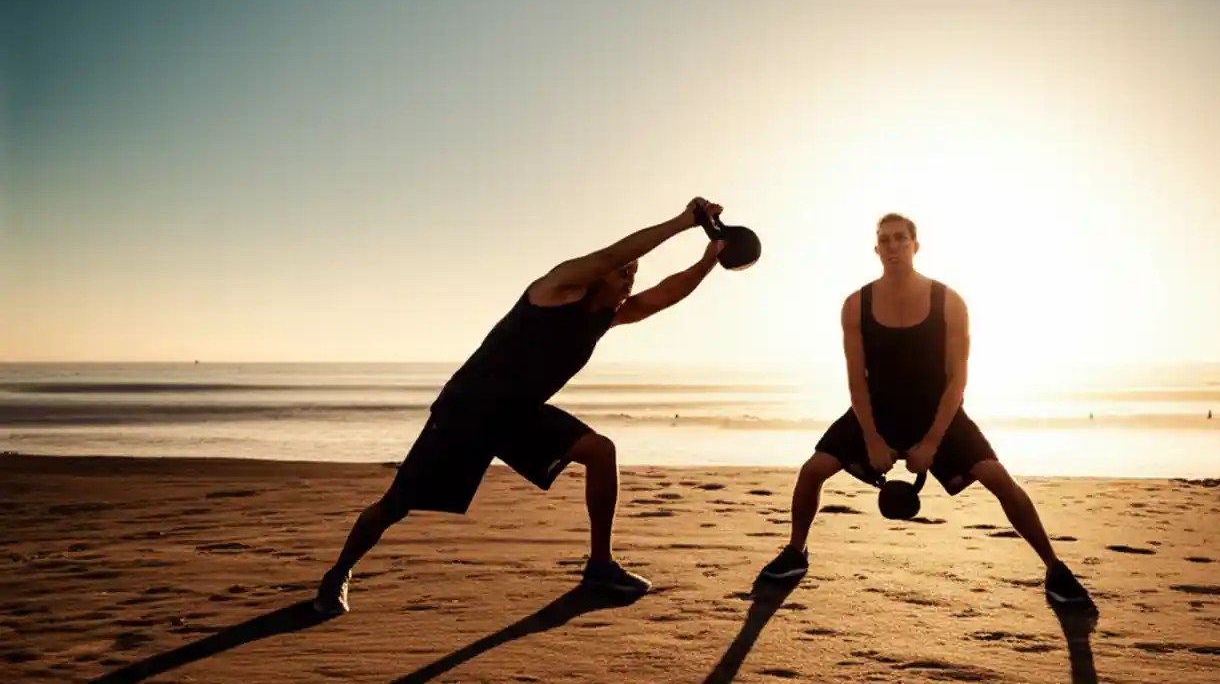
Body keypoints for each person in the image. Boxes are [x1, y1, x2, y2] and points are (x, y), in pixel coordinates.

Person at [314, 198, 729, 615]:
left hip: (519, 415)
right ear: (598, 274)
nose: (630, 280)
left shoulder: (606, 316)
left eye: (634, 275)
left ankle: (600, 567)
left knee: (601, 451)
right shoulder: (554, 288)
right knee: (396, 505)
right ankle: (339, 573)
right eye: (624, 272)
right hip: (468, 409)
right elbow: (611, 254)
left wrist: (710, 258)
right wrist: (683, 222)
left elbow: (665, 295)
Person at [758, 213, 1093, 607]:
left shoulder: (948, 301)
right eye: (885, 240)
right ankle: (796, 553)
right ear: (876, 249)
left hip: (938, 412)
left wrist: (933, 441)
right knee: (811, 472)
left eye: (901, 239)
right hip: (877, 410)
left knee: (999, 479)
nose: (893, 246)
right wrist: (871, 438)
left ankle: (1055, 568)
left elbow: (958, 379)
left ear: (915, 246)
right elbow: (857, 381)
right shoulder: (856, 305)